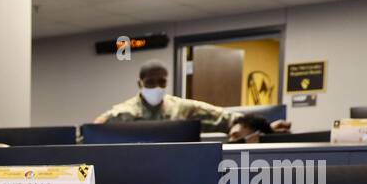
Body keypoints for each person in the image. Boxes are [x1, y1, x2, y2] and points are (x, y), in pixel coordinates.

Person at [94, 59, 291, 133]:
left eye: (162, 82)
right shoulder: (123, 113)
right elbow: (92, 133)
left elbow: (225, 117)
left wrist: (267, 128)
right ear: (140, 84)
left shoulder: (181, 108)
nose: (156, 86)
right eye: (150, 82)